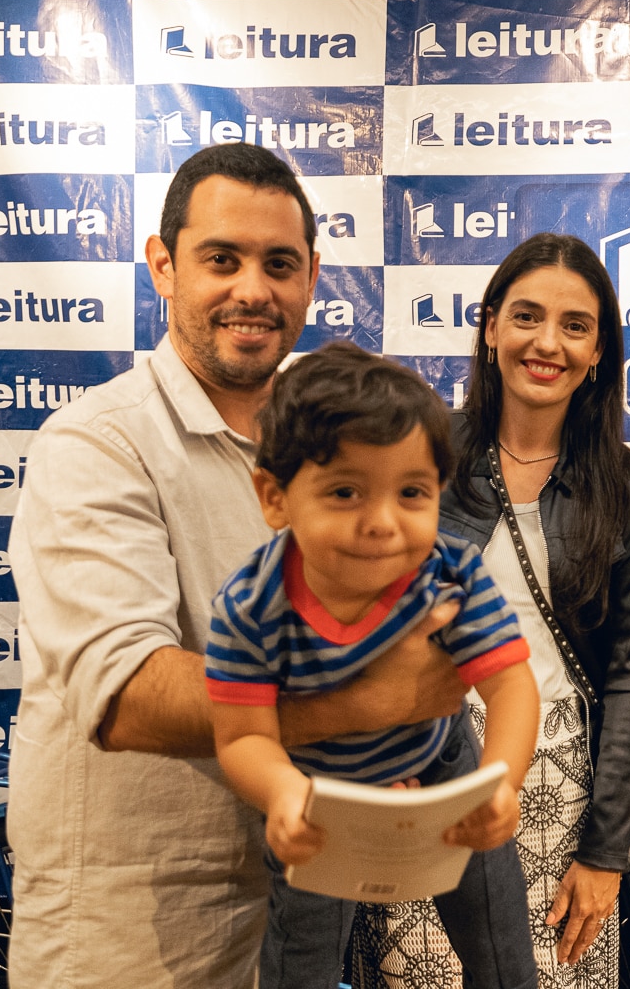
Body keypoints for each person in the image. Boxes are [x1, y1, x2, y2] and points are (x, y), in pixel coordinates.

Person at [6, 143, 467, 988]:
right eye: (222, 258)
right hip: (130, 941)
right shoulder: (97, 443)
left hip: (290, 920)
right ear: (163, 266)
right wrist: (372, 699)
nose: (253, 289)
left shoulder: (323, 456)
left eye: (279, 264)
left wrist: (389, 751)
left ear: (312, 279)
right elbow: (128, 698)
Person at [355, 233, 630, 989]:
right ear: (491, 326)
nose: (547, 343)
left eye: (575, 326)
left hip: (563, 787)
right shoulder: (421, 452)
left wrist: (603, 853)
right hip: (427, 768)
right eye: (527, 316)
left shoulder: (625, 486)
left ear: (599, 352)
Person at [206, 343, 539, 989]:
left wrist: (502, 781)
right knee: (298, 959)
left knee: (502, 948)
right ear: (274, 497)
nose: (383, 522)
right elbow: (244, 735)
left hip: (444, 764)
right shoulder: (251, 607)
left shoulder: (452, 574)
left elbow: (510, 686)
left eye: (412, 492)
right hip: (319, 788)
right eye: (345, 491)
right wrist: (282, 794)